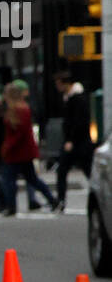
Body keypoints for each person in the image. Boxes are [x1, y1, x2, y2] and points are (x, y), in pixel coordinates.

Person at [0, 81, 56, 215]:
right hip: (21, 151)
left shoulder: (20, 110)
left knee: (11, 179)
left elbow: (20, 132)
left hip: (19, 151)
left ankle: (11, 206)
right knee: (30, 178)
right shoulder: (18, 109)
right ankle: (52, 200)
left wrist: (7, 146)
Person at [53, 70, 94, 212]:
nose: (57, 87)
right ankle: (60, 201)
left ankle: (61, 201)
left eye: (58, 84)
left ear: (65, 84)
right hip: (77, 142)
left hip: (78, 143)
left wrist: (70, 139)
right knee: (64, 170)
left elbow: (79, 121)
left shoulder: (77, 98)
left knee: (70, 170)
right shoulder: (69, 98)